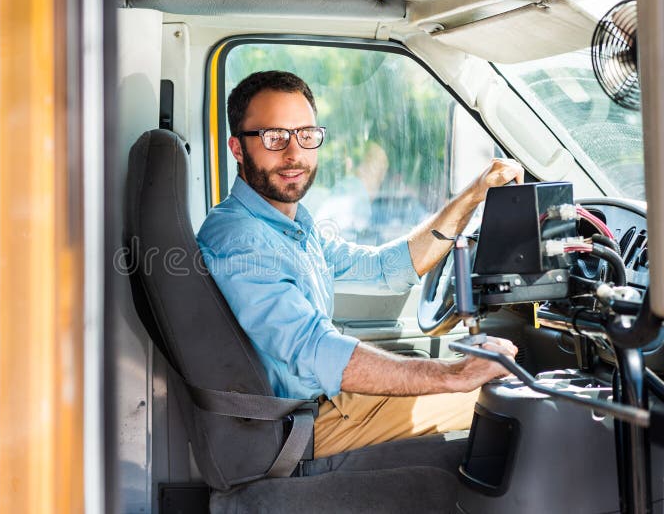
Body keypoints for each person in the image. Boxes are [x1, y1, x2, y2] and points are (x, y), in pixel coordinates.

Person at [196, 70, 522, 459]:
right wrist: (454, 375)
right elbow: (313, 349)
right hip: (298, 424)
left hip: (321, 404)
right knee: (517, 407)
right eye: (274, 137)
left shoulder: (291, 226)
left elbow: (386, 269)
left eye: (306, 135)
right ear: (237, 147)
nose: (294, 153)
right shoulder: (241, 239)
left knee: (501, 396)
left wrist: (474, 195)